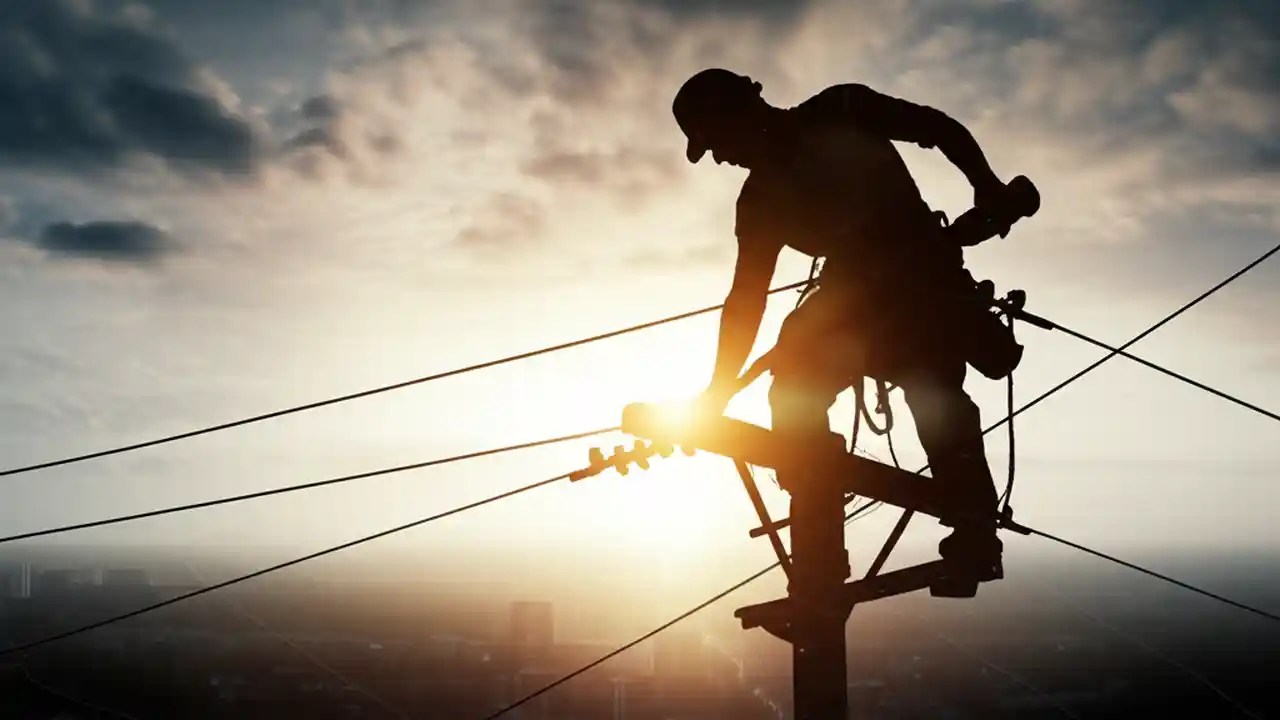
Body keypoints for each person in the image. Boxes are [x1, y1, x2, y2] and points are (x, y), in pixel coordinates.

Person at [672, 68, 1010, 583]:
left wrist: (987, 188)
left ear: (740, 114)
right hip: (852, 298)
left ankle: (973, 528)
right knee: (793, 384)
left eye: (716, 141)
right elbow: (746, 300)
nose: (719, 157)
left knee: (932, 389)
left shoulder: (842, 110)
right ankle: (816, 521)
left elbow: (938, 128)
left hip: (922, 282)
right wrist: (716, 390)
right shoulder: (759, 200)